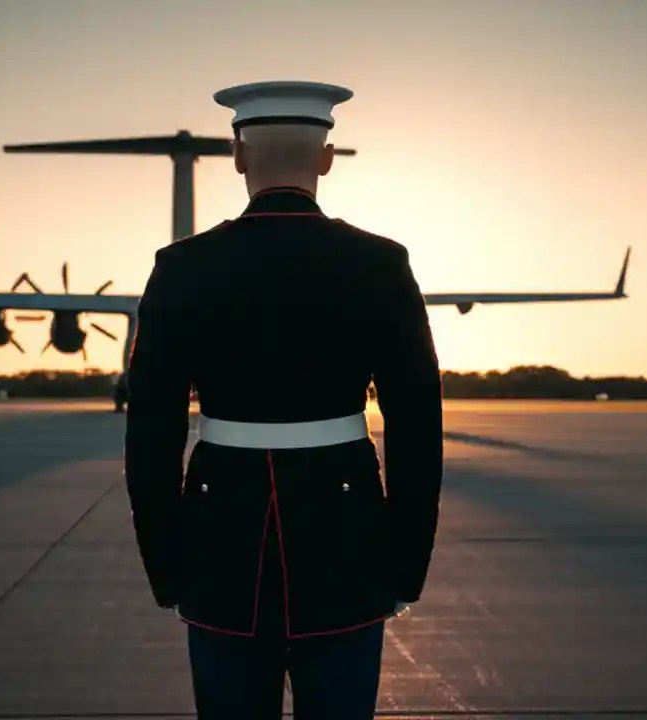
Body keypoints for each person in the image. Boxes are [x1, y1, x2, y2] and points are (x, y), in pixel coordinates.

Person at [124, 80, 443, 719]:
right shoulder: (380, 263)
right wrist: (404, 568)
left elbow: (152, 434)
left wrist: (167, 567)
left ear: (238, 155)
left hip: (221, 539)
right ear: (326, 157)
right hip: (346, 537)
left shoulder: (182, 266)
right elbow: (416, 428)